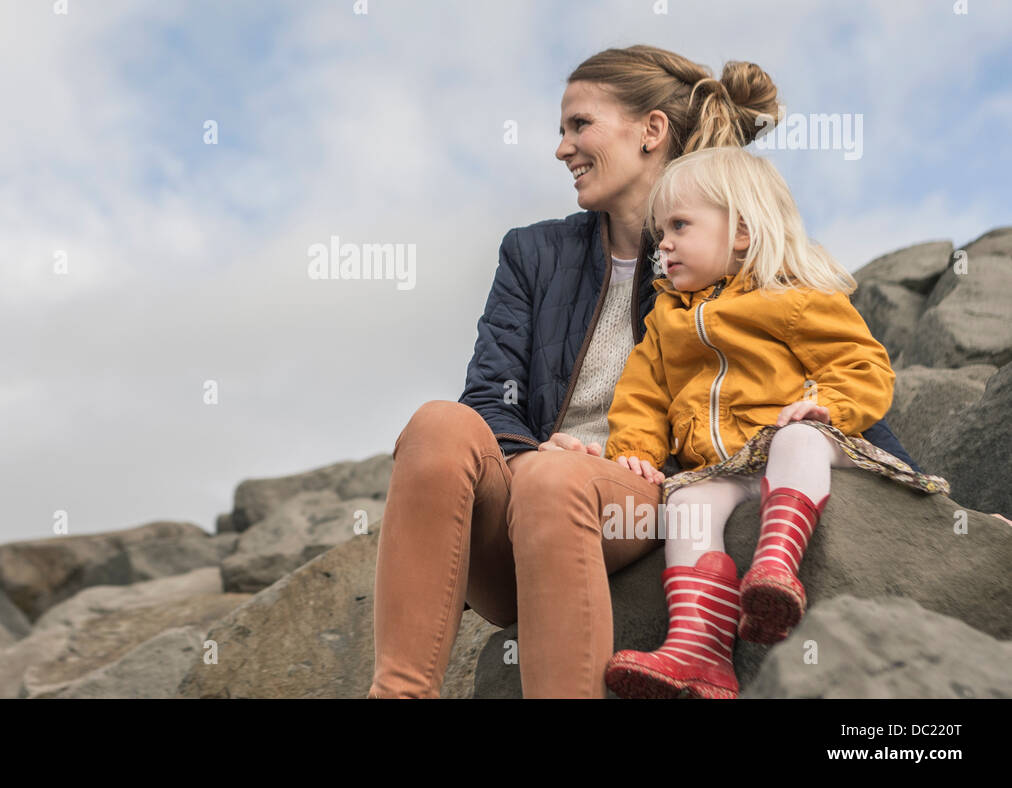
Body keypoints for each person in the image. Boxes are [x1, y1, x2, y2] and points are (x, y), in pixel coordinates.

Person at [368, 45, 926, 698]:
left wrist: (920, 492)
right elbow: (491, 395)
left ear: (651, 131)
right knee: (440, 424)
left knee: (555, 481)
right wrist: (531, 455)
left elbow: (820, 375)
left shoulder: (712, 262)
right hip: (522, 502)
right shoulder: (532, 252)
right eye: (561, 130)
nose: (561, 148)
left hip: (636, 500)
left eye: (579, 125)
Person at [601, 145, 950, 699]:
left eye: (679, 225)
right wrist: (636, 448)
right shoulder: (663, 323)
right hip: (724, 468)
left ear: (740, 231)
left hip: (811, 440)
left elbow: (861, 363)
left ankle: (776, 568)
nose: (662, 243)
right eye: (659, 230)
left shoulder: (790, 297)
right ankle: (700, 651)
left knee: (798, 437)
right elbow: (641, 397)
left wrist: (827, 405)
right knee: (687, 504)